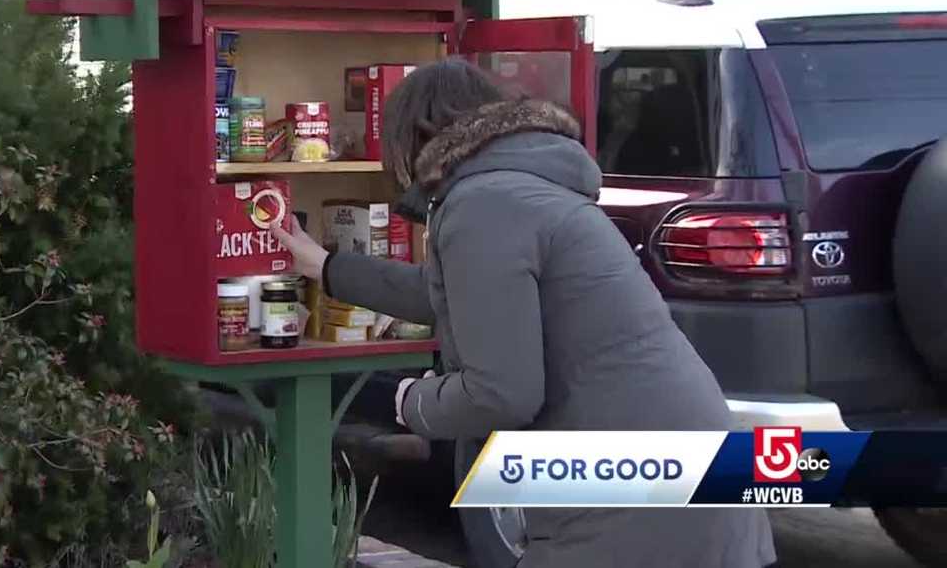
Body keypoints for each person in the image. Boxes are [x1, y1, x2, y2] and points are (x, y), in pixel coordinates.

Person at [273, 59, 776, 568]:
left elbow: (501, 393)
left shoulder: (481, 204)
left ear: (417, 137)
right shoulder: (519, 187)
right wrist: (327, 266)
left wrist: (413, 402)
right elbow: (446, 293)